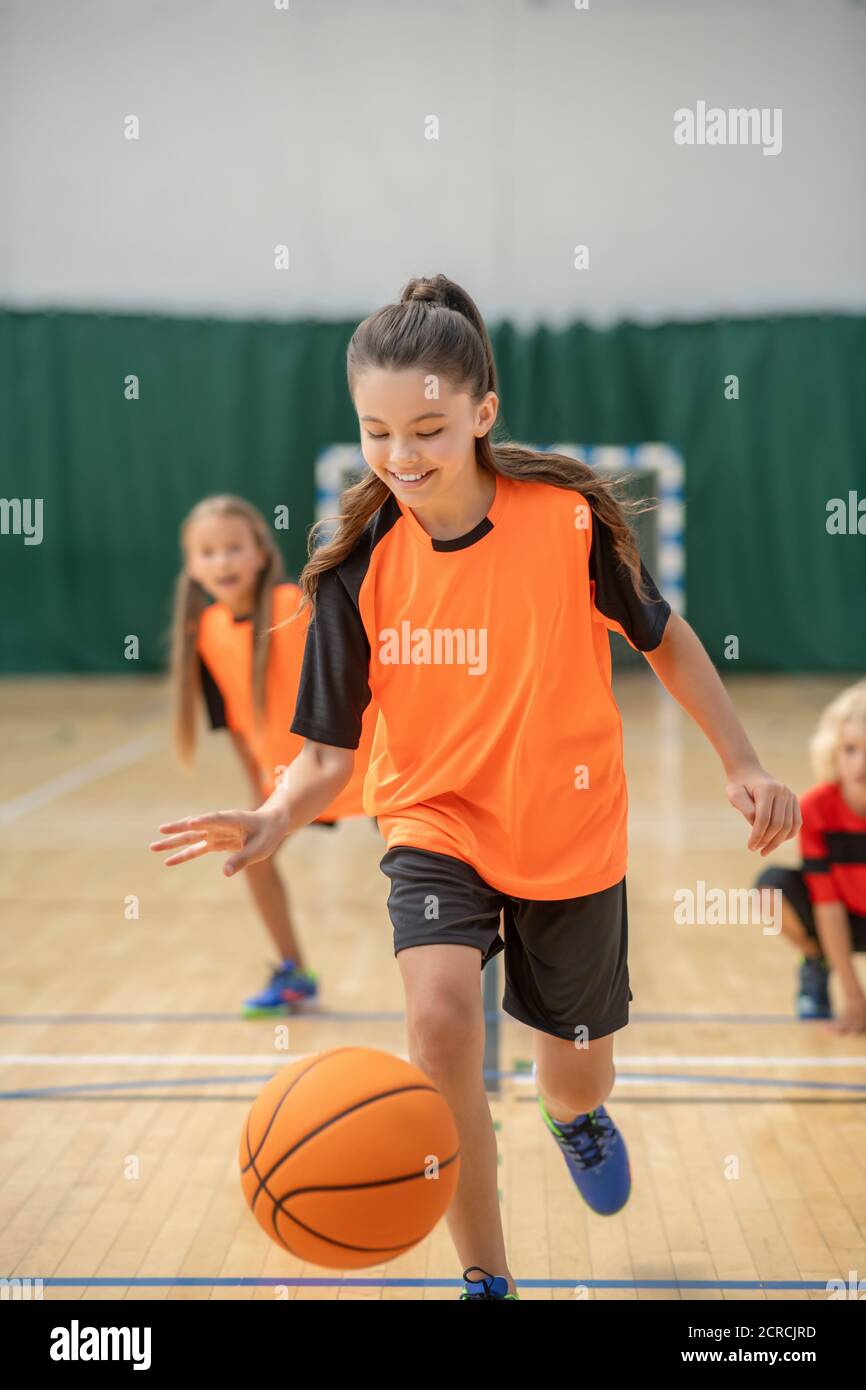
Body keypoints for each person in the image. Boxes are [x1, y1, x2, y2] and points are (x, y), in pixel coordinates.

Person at [152, 275, 800, 1299]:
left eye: (427, 429)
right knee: (441, 1024)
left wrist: (743, 761)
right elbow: (326, 752)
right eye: (376, 433)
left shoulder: (565, 522)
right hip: (434, 821)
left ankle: (572, 1115)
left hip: (569, 830)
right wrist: (273, 813)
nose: (400, 457)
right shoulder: (353, 569)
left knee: (574, 1068)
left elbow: (663, 638)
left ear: (480, 414)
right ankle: (484, 1274)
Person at [170, 493, 376, 1016]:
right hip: (294, 780)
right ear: (192, 567)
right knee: (252, 858)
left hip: (369, 767)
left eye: (235, 547)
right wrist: (262, 799)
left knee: (430, 878)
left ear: (261, 553)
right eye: (209, 552)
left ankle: (490, 979)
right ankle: (293, 973)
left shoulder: (298, 604)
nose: (223, 561)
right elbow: (237, 726)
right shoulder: (206, 634)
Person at [755, 679, 866, 1030]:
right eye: (850, 748)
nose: (861, 762)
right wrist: (854, 999)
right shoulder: (816, 809)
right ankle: (817, 963)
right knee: (769, 891)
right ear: (834, 750)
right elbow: (827, 904)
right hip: (840, 918)